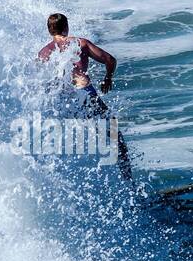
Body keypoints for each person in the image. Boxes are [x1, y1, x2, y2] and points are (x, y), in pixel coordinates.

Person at [36, 13, 132, 178]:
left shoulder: (43, 53)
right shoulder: (80, 43)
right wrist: (107, 79)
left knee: (71, 142)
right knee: (115, 137)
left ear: (49, 31)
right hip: (84, 95)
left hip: (61, 100)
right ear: (66, 27)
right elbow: (110, 60)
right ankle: (130, 184)